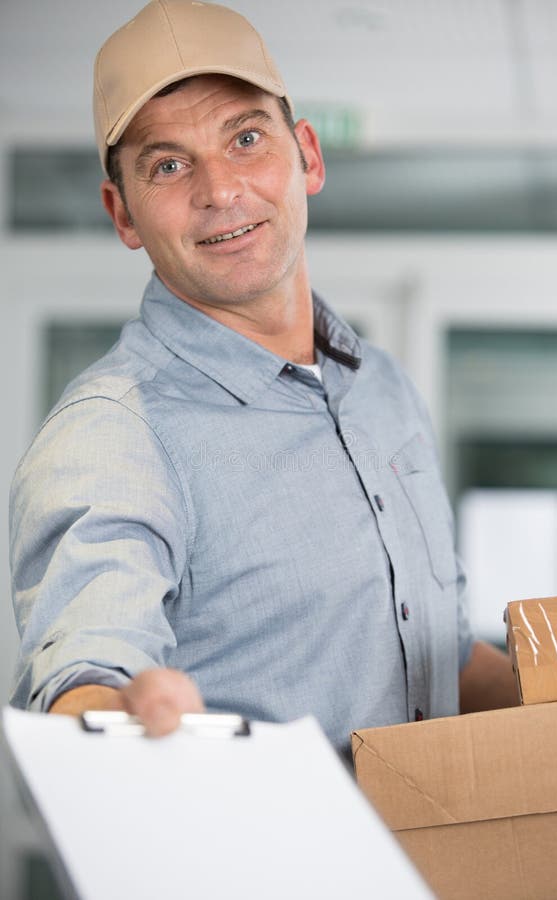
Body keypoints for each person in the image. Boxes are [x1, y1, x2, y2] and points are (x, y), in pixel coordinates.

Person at [9, 0, 517, 752]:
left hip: (439, 867)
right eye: (169, 164)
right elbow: (84, 677)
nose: (219, 189)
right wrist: (118, 710)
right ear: (123, 214)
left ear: (307, 155)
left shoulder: (381, 388)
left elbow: (438, 657)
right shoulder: (114, 431)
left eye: (246, 138)